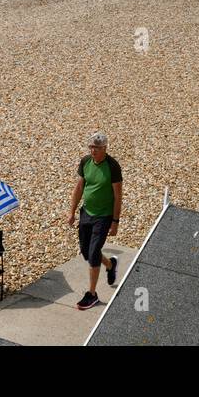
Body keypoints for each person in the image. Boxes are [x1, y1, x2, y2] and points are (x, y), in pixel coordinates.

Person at [66, 132, 122, 311]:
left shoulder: (113, 166)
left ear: (105, 148)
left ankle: (92, 294)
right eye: (91, 147)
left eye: (96, 148)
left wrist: (115, 221)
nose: (93, 151)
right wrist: (72, 212)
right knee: (86, 251)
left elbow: (118, 195)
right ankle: (110, 265)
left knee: (94, 251)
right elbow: (80, 187)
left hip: (103, 216)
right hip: (86, 213)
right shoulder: (85, 162)